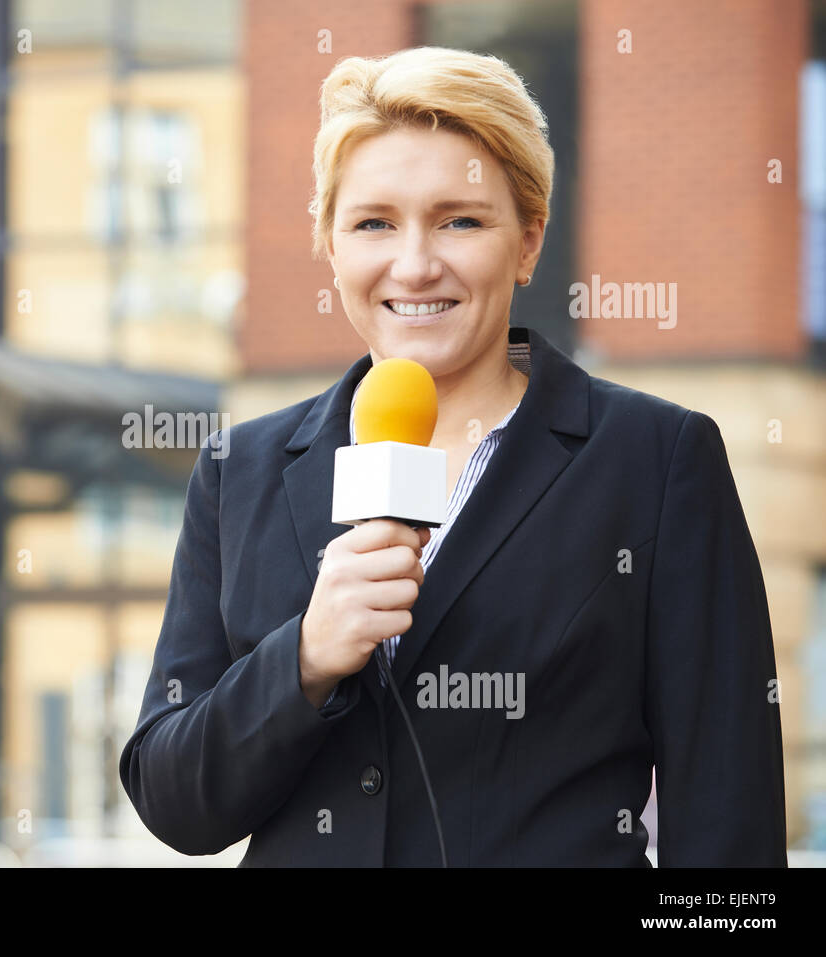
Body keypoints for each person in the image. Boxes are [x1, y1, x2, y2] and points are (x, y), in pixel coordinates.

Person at [118, 46, 787, 866]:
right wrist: (304, 657)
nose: (414, 264)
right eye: (373, 223)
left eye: (459, 220)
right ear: (330, 244)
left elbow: (728, 821)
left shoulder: (655, 461)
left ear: (530, 241)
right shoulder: (240, 471)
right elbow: (174, 800)